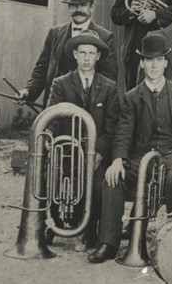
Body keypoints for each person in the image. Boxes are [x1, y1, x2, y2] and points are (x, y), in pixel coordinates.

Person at [89, 34, 172, 263]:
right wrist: (117, 160)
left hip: (171, 157)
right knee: (112, 179)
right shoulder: (132, 97)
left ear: (166, 62)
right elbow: (123, 132)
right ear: (142, 63)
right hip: (138, 159)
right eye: (148, 60)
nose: (154, 65)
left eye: (159, 60)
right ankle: (108, 243)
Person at [44, 30, 120, 251]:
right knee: (55, 176)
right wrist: (49, 138)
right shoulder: (61, 83)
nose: (87, 58)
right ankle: (54, 223)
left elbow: (114, 125)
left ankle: (88, 227)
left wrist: (99, 153)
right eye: (82, 53)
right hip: (67, 149)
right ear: (75, 55)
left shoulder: (110, 86)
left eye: (91, 53)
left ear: (98, 57)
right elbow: (51, 117)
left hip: (95, 152)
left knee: (98, 184)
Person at [18, 0, 117, 107]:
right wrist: (28, 91)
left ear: (92, 7)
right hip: (55, 105)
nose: (79, 9)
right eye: (74, 5)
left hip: (88, 109)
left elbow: (108, 79)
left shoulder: (105, 37)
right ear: (69, 7)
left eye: (83, 5)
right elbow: (42, 69)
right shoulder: (55, 33)